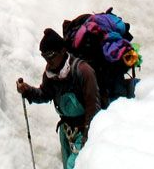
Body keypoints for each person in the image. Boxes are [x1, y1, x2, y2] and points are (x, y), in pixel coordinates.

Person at [16, 28, 101, 169]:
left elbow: (93, 108)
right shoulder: (51, 73)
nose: (47, 61)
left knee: (74, 165)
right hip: (66, 131)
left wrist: (87, 138)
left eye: (50, 56)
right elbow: (45, 94)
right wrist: (28, 91)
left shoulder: (83, 71)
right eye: (44, 57)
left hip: (83, 132)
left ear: (62, 51)